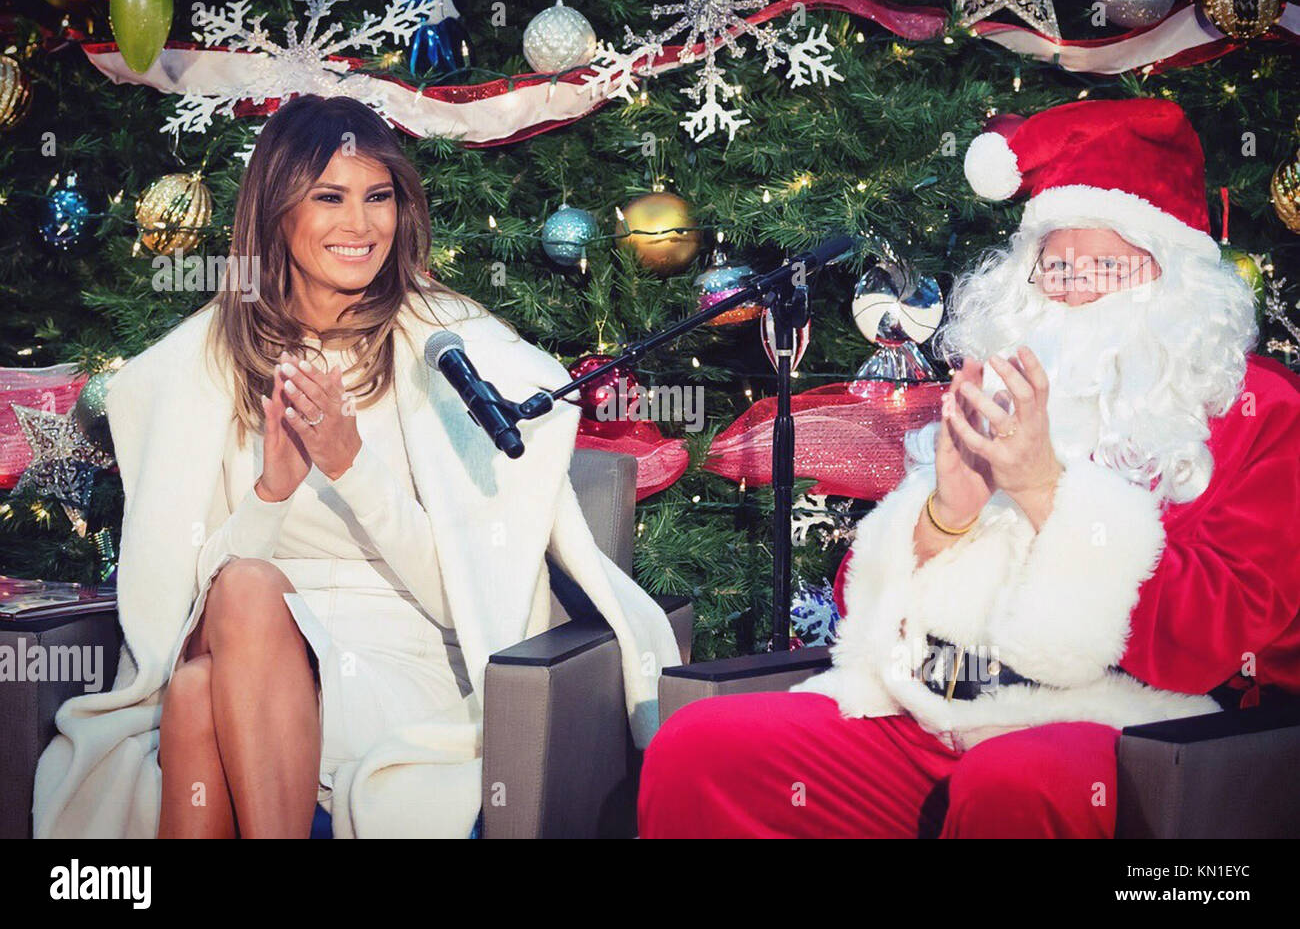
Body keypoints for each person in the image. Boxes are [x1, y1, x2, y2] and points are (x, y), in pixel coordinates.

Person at [638, 98, 1300, 838]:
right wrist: (943, 515)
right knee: (705, 748)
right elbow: (865, 610)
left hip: (1122, 718)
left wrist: (1046, 490)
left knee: (1014, 782)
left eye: (1106, 264)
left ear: (1175, 279)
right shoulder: (998, 384)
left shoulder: (1254, 407)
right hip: (939, 695)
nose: (1075, 287)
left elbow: (1214, 636)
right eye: (1055, 264)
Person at [34, 95, 680, 839]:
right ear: (276, 210)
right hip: (251, 665)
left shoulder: (449, 352)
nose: (361, 226)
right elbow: (190, 602)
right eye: (330, 198)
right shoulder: (208, 362)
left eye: (379, 198)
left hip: (404, 670)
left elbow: (472, 595)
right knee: (211, 649)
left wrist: (350, 467)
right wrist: (273, 492)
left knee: (199, 683)